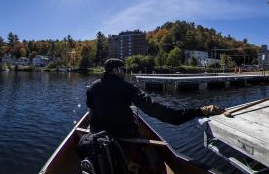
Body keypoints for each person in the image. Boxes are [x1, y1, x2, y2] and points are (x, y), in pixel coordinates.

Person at [86, 58, 224, 138]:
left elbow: (91, 111)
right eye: (124, 69)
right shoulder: (127, 87)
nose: (125, 72)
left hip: (97, 134)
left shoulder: (92, 87)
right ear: (116, 70)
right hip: (123, 136)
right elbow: (157, 110)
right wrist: (199, 111)